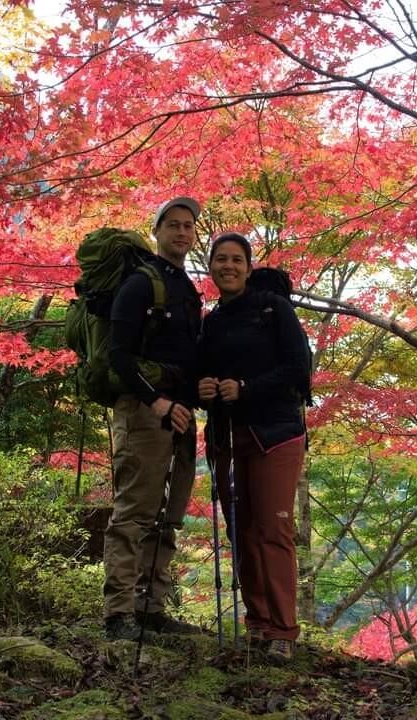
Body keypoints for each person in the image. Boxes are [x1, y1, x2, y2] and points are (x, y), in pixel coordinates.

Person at [197, 232, 311, 662]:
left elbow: (299, 370)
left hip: (276, 434)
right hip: (228, 437)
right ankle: (259, 624)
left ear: (248, 266)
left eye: (236, 260)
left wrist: (245, 389)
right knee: (241, 531)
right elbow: (203, 374)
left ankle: (284, 630)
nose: (228, 266)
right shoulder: (211, 321)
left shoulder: (274, 310)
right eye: (220, 259)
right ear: (211, 267)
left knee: (273, 529)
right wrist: (202, 388)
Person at [102, 196, 204, 641]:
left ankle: (151, 607)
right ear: (158, 231)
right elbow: (117, 356)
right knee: (134, 513)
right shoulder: (141, 284)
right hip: (145, 413)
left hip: (181, 416)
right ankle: (118, 614)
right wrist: (156, 401)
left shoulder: (185, 287)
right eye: (174, 225)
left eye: (188, 226)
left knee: (169, 516)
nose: (182, 233)